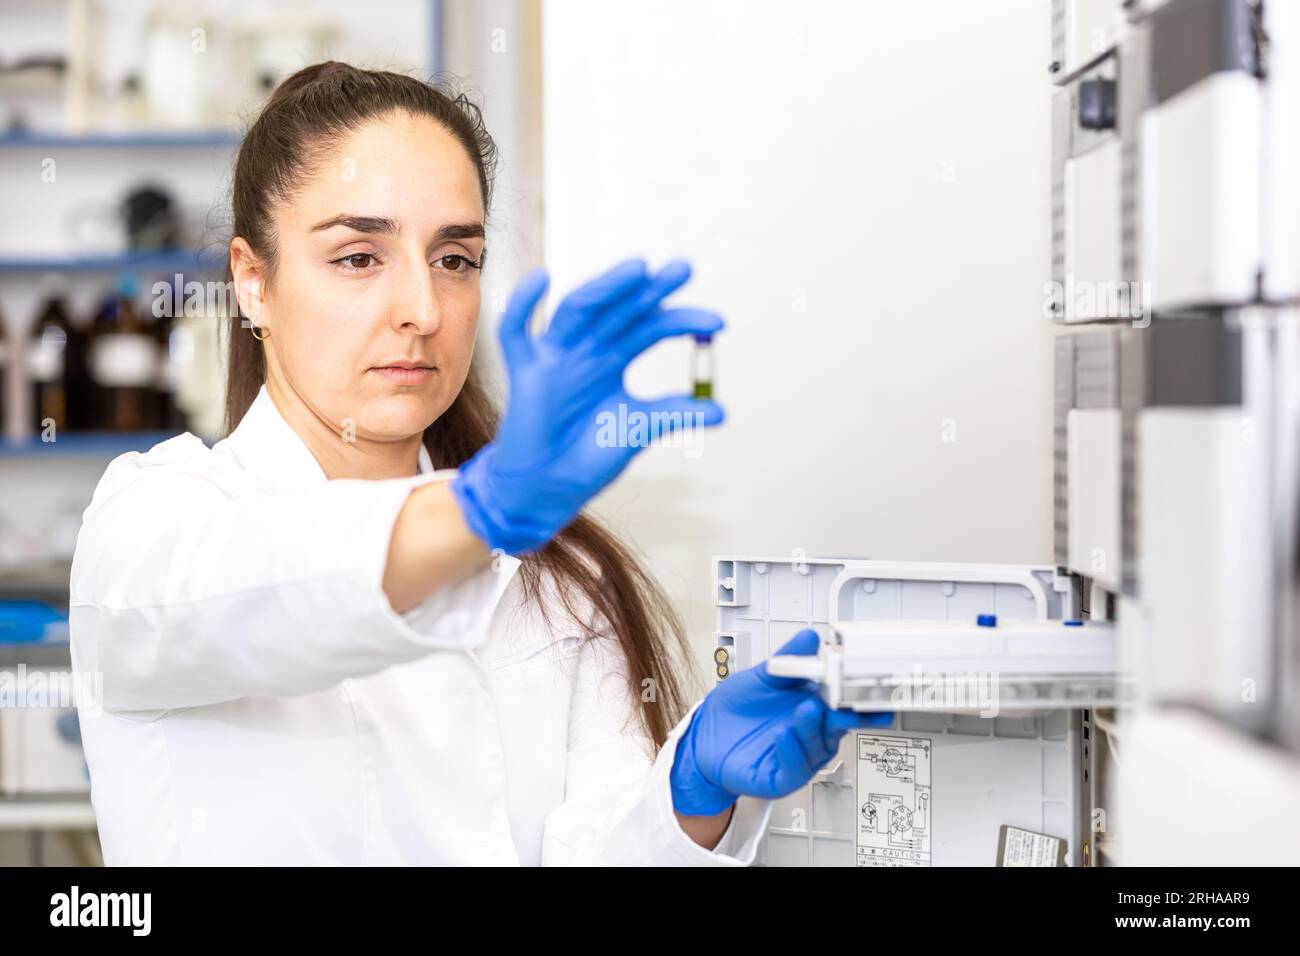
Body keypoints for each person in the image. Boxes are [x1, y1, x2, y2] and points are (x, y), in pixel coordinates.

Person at [69, 62, 889, 866]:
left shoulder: (557, 580)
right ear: (252, 282)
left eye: (454, 260)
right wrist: (480, 508)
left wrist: (691, 799)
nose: (423, 311)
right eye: (359, 257)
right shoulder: (156, 523)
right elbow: (257, 594)